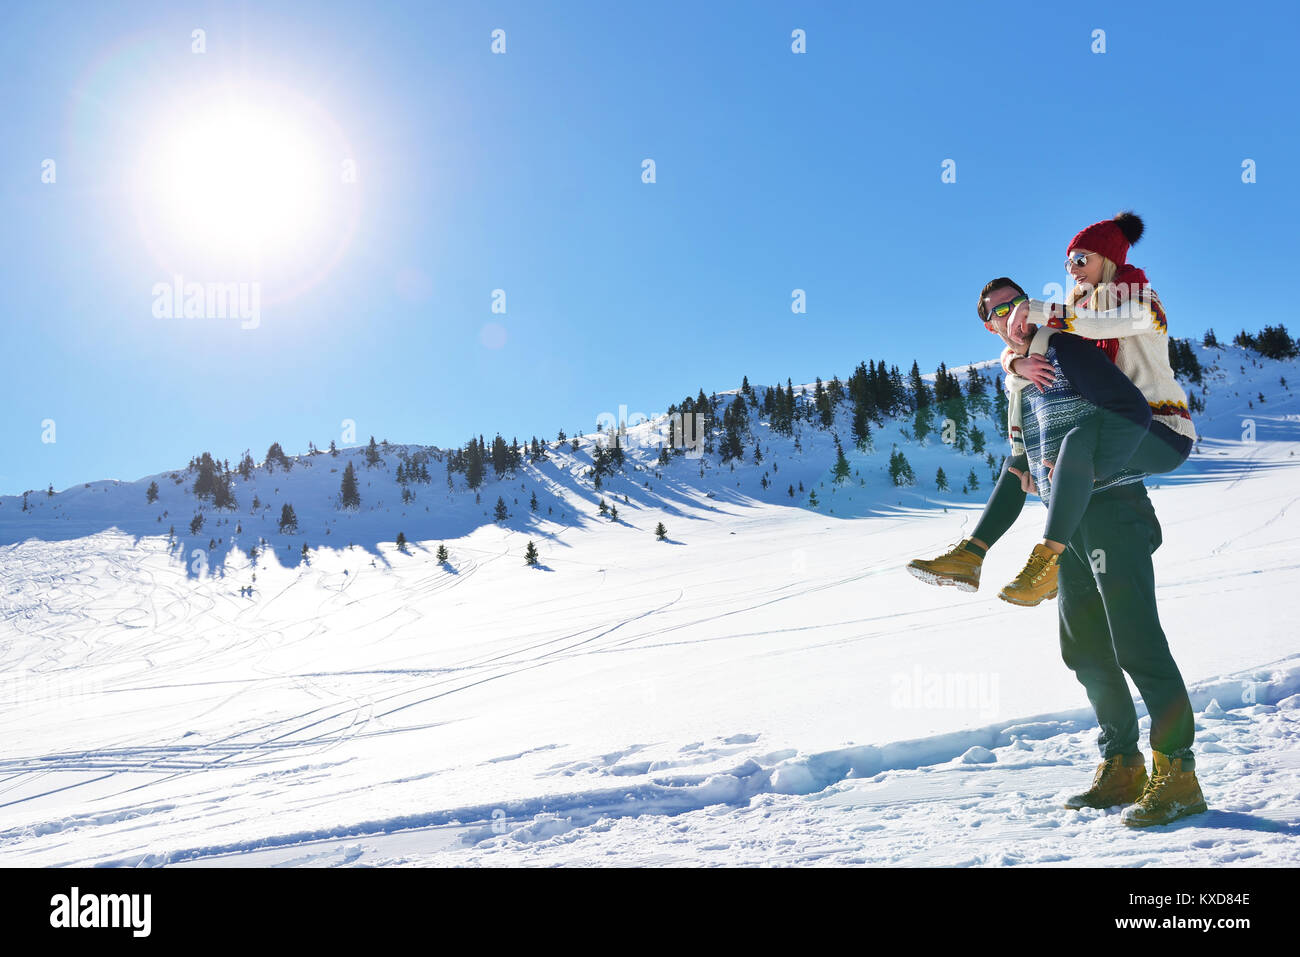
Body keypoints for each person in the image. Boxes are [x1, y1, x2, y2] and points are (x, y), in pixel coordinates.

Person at [910, 282, 1207, 826]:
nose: (1010, 314)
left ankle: (1180, 775)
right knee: (1086, 651)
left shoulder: (1065, 345)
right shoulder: (1019, 382)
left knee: (1136, 643)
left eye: (1016, 302)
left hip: (1114, 507)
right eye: (998, 310)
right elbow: (1021, 466)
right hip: (1065, 523)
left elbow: (1127, 409)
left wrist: (1041, 356)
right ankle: (1122, 765)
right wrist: (978, 542)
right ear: (990, 325)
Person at [916, 213, 1196, 606]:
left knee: (1078, 442)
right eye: (1069, 262)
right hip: (1121, 426)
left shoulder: (1139, 299)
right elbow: (1038, 346)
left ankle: (1050, 558)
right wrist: (1015, 361)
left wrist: (1037, 315)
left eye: (1082, 259)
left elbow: (1102, 327)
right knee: (1017, 465)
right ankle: (971, 555)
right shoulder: (1079, 307)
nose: (1073, 269)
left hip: (1160, 428)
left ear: (1109, 258)